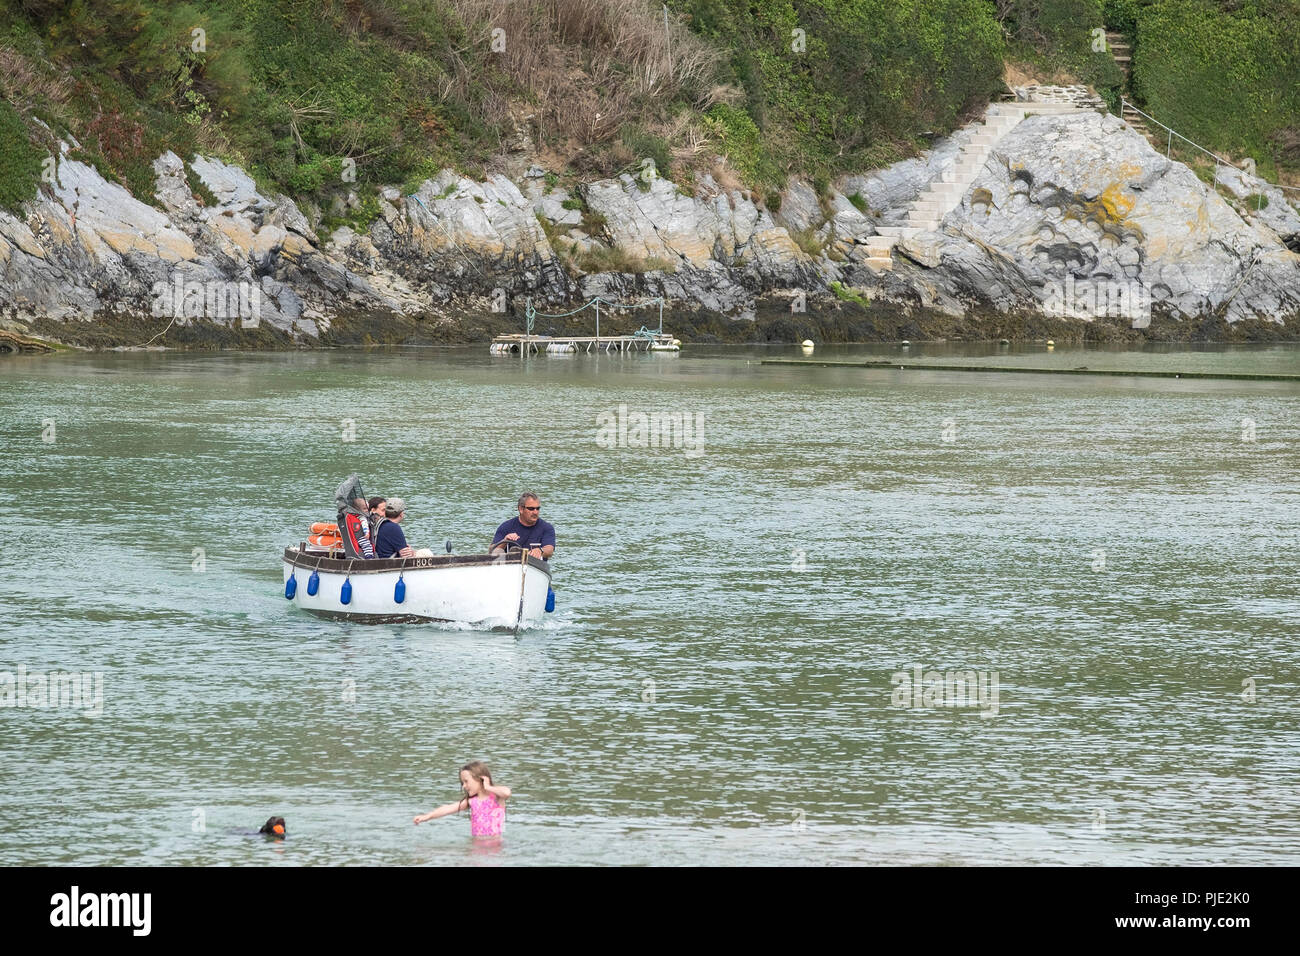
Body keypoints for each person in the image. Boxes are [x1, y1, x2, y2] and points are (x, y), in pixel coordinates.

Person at [413, 761, 510, 837]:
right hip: (476, 845)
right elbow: (448, 809)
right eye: (462, 783)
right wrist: (427, 816)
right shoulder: (471, 801)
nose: (464, 786)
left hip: (495, 846)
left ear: (480, 779)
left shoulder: (497, 797)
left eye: (466, 781)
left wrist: (488, 787)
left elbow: (507, 792)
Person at [490, 491, 555, 560]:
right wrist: (505, 541)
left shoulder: (547, 528)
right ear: (521, 509)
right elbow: (491, 551)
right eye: (531, 509)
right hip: (510, 565)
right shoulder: (506, 526)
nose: (535, 512)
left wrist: (540, 550)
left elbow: (550, 550)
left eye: (538, 508)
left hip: (535, 565)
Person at [334, 473, 376, 559]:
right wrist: (367, 533)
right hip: (362, 538)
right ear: (358, 509)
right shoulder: (362, 518)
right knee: (367, 546)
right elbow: (364, 525)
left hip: (358, 539)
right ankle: (369, 557)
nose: (367, 511)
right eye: (365, 509)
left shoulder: (353, 516)